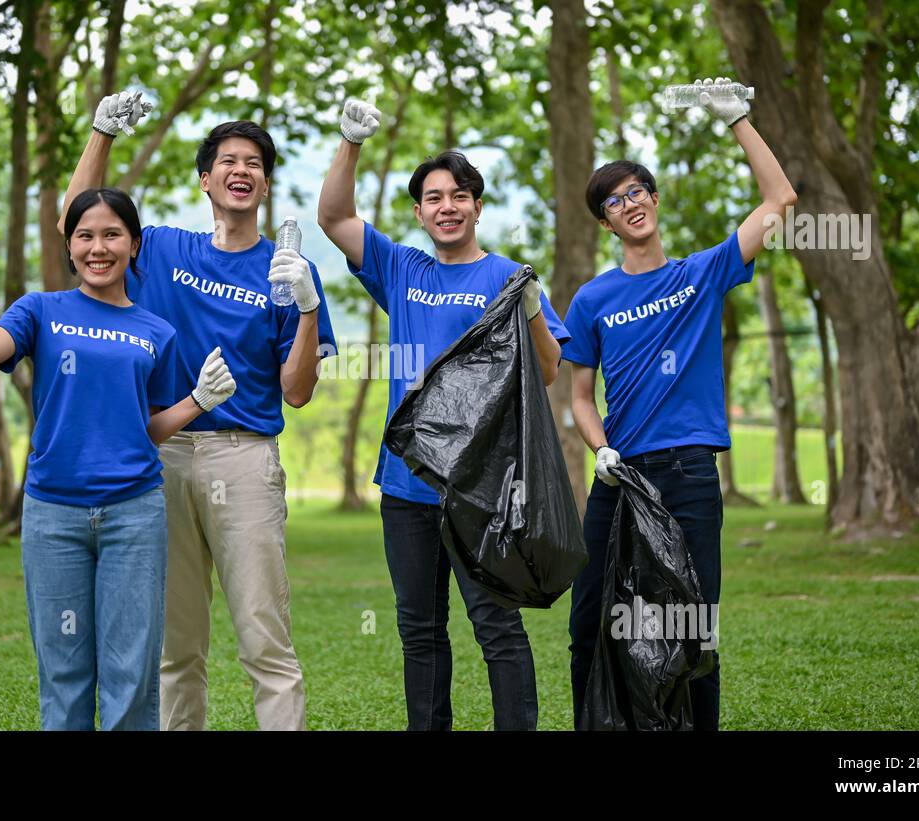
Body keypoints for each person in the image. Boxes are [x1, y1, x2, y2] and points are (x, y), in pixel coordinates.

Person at [58, 91, 338, 731]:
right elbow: (78, 220)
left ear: (265, 184)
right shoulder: (158, 249)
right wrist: (101, 133)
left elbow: (297, 390)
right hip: (160, 460)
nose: (242, 171)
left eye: (255, 164)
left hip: (244, 461)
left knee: (266, 642)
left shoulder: (289, 269)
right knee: (175, 648)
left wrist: (306, 306)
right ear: (205, 179)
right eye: (229, 161)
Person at [0, 175, 237, 730]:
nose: (97, 248)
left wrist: (198, 401)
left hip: (135, 514)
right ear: (69, 245)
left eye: (111, 235)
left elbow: (148, 427)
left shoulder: (156, 331)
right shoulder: (41, 311)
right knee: (64, 674)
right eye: (84, 236)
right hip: (53, 515)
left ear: (133, 245)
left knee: (132, 674)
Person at [318, 99, 572, 731]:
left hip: (483, 489)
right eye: (434, 198)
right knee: (420, 631)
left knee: (497, 627)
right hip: (407, 485)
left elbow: (545, 373)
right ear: (419, 212)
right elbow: (334, 217)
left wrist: (534, 310)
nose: (447, 207)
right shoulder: (402, 268)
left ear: (478, 207)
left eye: (460, 195)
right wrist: (350, 143)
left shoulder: (510, 277)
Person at [561, 78, 798, 730]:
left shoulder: (701, 274)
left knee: (693, 629)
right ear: (606, 221)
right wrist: (600, 447)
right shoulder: (592, 300)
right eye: (614, 200)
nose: (629, 203)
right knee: (590, 623)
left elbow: (780, 199)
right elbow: (580, 395)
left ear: (653, 200)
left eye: (636, 191)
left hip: (690, 476)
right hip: (621, 476)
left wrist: (739, 121)